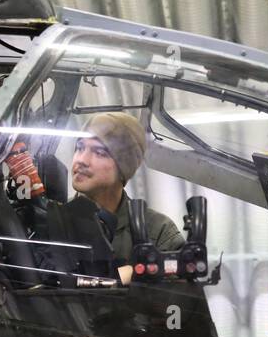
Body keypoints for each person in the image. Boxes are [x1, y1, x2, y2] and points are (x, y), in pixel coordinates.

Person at [42, 112, 184, 277]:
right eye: (80, 148)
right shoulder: (51, 221)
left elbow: (178, 296)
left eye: (100, 152)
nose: (82, 160)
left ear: (124, 167)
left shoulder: (157, 232)